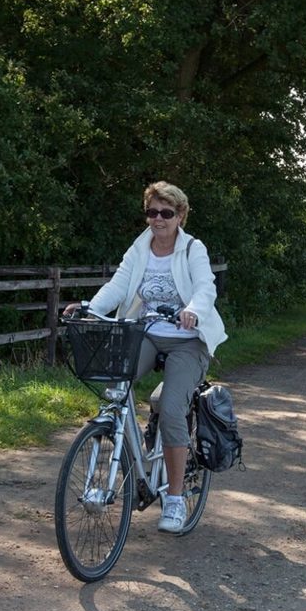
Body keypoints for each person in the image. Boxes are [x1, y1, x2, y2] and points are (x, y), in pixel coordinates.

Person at [64, 181, 226, 534]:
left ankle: (174, 499)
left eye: (166, 213)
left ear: (180, 216)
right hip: (146, 331)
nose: (158, 219)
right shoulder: (139, 249)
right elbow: (118, 286)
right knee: (115, 386)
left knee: (171, 408)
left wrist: (194, 311)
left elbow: (205, 287)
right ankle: (127, 441)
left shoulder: (192, 249)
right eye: (152, 212)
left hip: (188, 338)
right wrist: (92, 307)